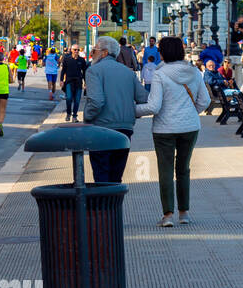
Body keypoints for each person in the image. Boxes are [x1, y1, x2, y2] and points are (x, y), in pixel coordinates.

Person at [134, 36, 206, 228]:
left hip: (164, 129)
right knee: (183, 169)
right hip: (190, 127)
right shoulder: (194, 72)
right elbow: (204, 101)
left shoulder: (160, 74)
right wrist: (190, 113)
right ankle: (184, 213)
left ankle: (167, 215)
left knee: (165, 171)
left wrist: (132, 111)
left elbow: (154, 106)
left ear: (163, 53)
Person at [83, 36, 147, 184]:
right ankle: (114, 205)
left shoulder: (93, 71)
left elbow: (97, 102)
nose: (92, 54)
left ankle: (102, 206)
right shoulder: (128, 73)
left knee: (101, 174)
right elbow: (143, 97)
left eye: (94, 51)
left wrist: (87, 117)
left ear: (104, 53)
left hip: (101, 129)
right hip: (125, 129)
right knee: (116, 176)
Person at [59, 45, 88, 121]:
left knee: (77, 100)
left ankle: (74, 116)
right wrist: (61, 80)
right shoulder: (67, 59)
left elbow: (85, 72)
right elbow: (63, 70)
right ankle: (68, 114)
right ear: (71, 50)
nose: (76, 51)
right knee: (68, 98)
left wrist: (85, 82)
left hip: (78, 82)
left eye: (78, 50)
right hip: (69, 82)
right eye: (75, 50)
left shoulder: (81, 60)